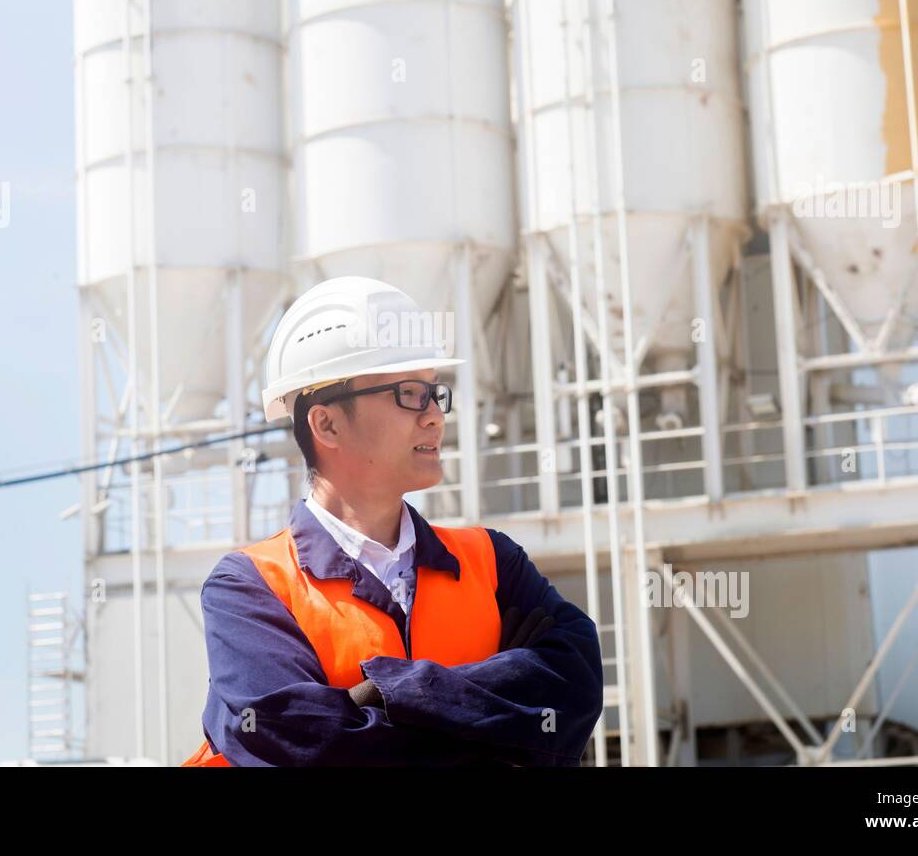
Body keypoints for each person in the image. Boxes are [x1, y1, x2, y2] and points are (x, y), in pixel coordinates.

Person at [181, 276, 604, 766]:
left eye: (434, 393)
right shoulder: (250, 586)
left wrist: (393, 692)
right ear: (327, 424)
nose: (434, 417)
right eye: (408, 393)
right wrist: (491, 722)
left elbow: (573, 689)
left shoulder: (491, 560)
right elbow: (298, 742)